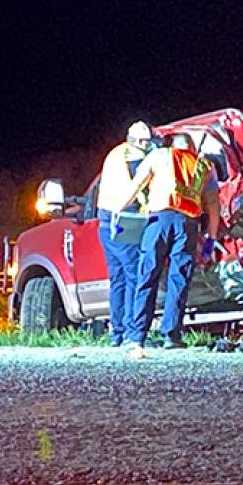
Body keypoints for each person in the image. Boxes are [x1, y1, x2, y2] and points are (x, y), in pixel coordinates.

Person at [118, 132, 219, 358]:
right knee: (179, 278)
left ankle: (137, 335)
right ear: (191, 147)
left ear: (170, 144)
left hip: (159, 222)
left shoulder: (159, 155)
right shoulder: (203, 166)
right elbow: (213, 205)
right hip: (187, 225)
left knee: (148, 274)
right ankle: (171, 335)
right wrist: (210, 241)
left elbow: (137, 184)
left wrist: (119, 212)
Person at [95, 121, 155, 347]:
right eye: (146, 142)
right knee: (134, 277)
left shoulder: (115, 153)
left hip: (106, 221)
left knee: (117, 280)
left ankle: (116, 333)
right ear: (138, 141)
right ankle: (132, 332)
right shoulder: (136, 157)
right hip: (124, 220)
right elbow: (139, 185)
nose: (147, 146)